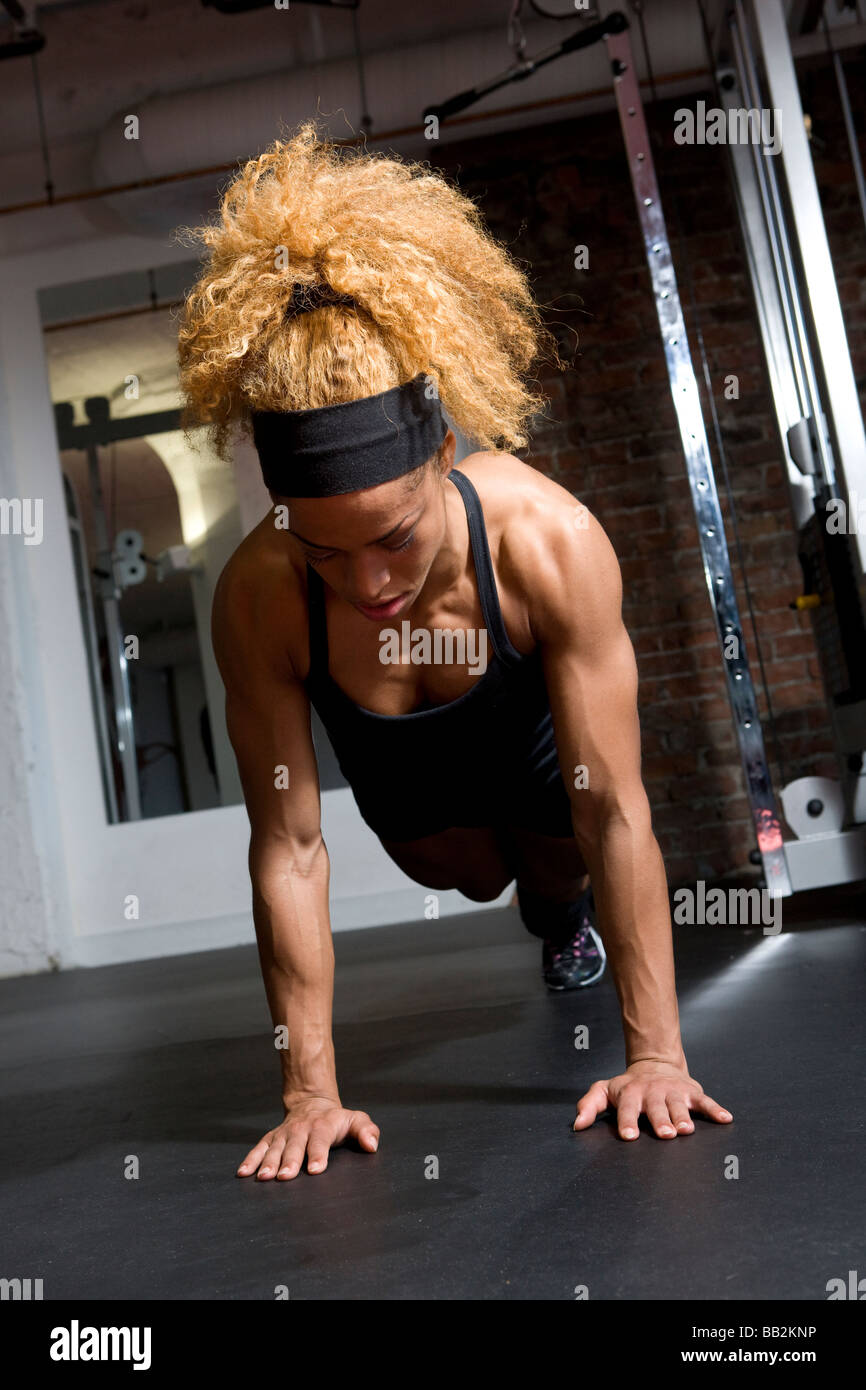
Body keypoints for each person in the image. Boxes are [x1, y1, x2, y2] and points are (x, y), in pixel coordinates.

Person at [177, 122, 733, 1182]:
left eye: (392, 537)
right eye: (323, 549)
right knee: (463, 871)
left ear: (443, 451)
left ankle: (558, 909)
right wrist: (310, 1095)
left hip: (534, 750)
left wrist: (654, 1056)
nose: (368, 584)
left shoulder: (546, 543)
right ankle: (529, 894)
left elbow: (615, 804)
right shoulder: (259, 596)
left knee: (557, 844)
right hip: (413, 774)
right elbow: (288, 847)